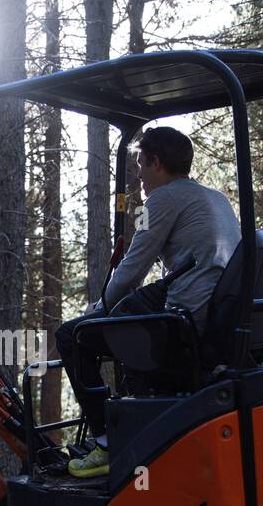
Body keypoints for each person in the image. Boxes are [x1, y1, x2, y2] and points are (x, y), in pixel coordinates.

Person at [55, 125, 242, 478]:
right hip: (216, 315)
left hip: (186, 321)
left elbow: (131, 270)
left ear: (156, 162)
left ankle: (107, 443)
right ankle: (134, 418)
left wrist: (97, 310)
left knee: (73, 336)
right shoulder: (215, 198)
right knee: (127, 321)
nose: (138, 173)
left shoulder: (165, 198)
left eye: (141, 162)